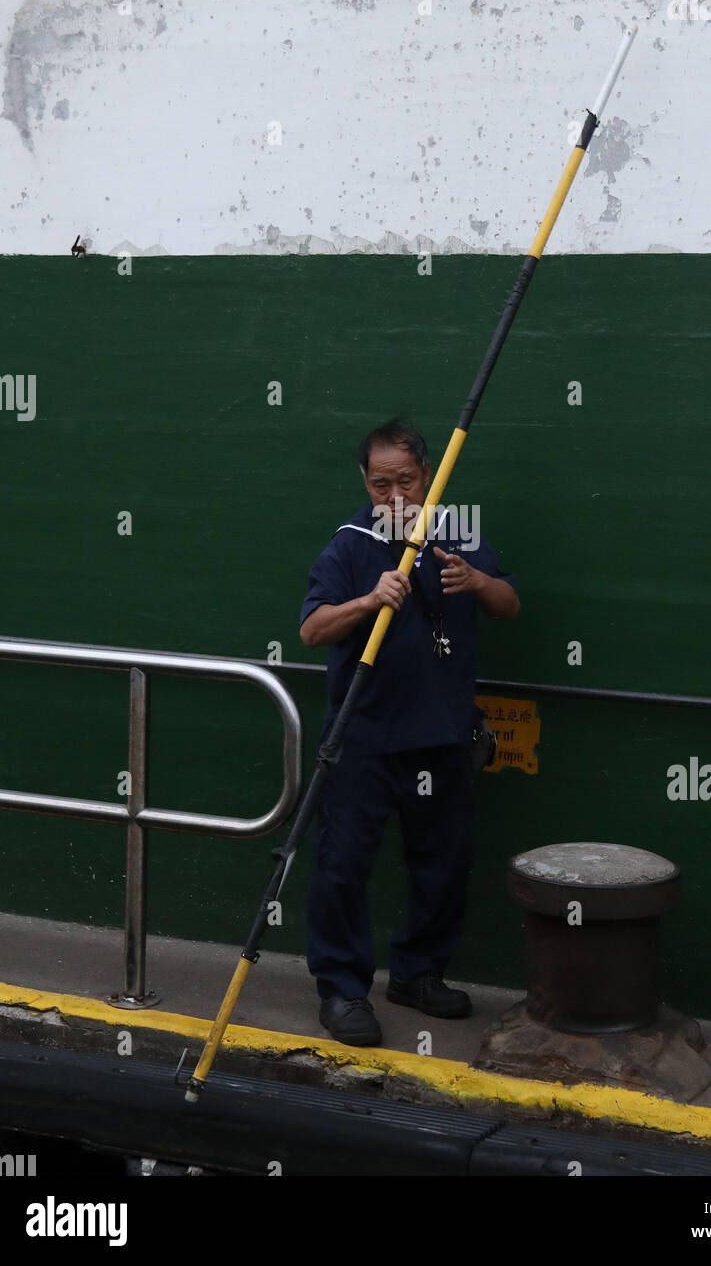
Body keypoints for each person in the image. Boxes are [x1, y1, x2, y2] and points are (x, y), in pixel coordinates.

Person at [299, 418, 520, 1045]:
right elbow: (312, 630)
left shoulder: (460, 537)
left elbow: (509, 605)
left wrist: (478, 582)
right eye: (379, 485)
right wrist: (369, 601)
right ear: (363, 484)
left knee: (444, 863)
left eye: (406, 481)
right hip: (363, 737)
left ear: (428, 475)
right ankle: (342, 990)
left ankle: (418, 974)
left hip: (443, 735)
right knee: (343, 865)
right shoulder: (347, 546)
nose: (394, 498)